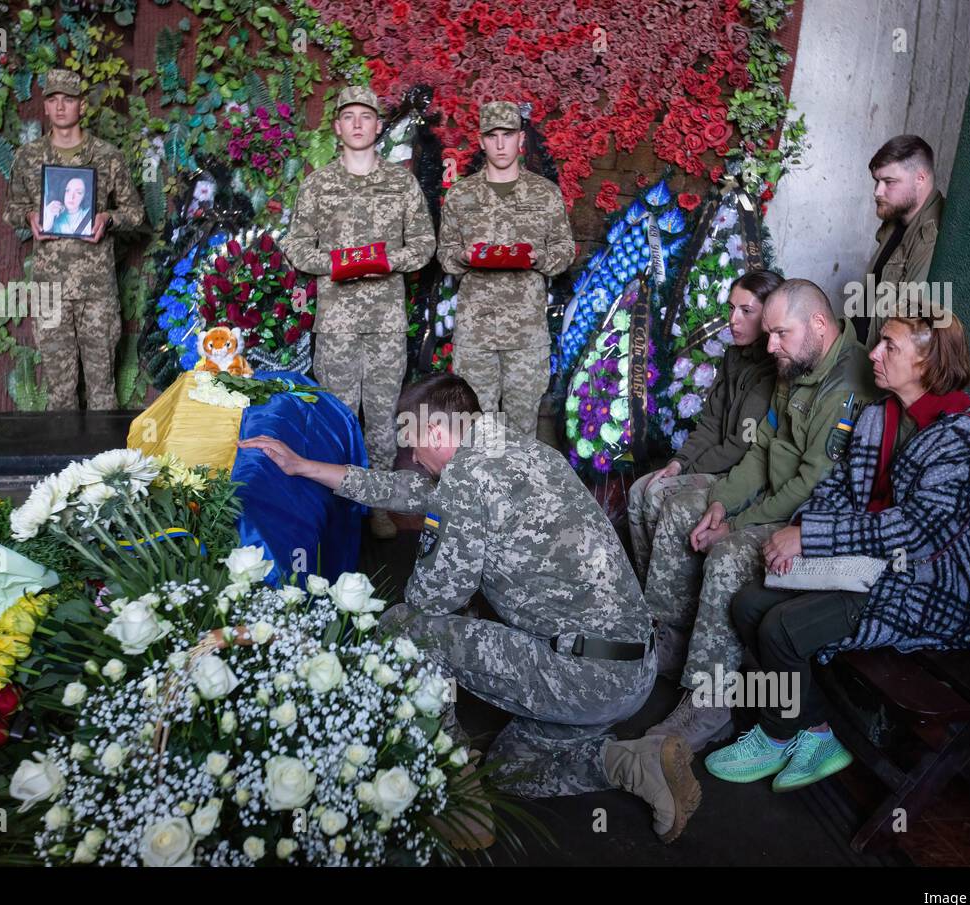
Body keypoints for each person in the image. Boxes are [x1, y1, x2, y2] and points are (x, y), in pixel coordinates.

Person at [240, 374, 702, 844]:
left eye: (412, 441)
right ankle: (637, 764)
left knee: (405, 629)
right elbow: (418, 493)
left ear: (437, 433)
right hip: (628, 669)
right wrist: (306, 467)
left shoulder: (464, 481)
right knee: (511, 771)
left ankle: (452, 786)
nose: (413, 456)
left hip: (580, 674)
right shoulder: (519, 450)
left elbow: (429, 602)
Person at [710, 310, 970, 791]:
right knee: (747, 602)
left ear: (927, 360)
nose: (873, 354)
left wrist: (812, 539)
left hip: (938, 587)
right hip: (872, 566)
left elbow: (916, 530)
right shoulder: (880, 416)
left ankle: (775, 731)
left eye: (889, 346)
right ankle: (814, 730)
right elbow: (837, 490)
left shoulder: (966, 436)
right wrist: (803, 529)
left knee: (783, 627)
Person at [642, 278, 878, 752]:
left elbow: (810, 484)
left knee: (730, 555)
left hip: (806, 518)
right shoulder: (797, 361)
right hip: (771, 493)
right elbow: (761, 449)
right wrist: (720, 502)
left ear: (817, 323)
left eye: (779, 334)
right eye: (768, 334)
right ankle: (672, 638)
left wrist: (736, 524)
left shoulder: (848, 383)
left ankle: (711, 704)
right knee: (681, 508)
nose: (771, 347)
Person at [281, 86, 436, 541]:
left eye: (364, 116)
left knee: (384, 416)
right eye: (347, 116)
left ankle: (378, 505)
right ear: (337, 127)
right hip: (338, 323)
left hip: (386, 320)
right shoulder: (318, 184)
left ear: (376, 126)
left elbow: (425, 245)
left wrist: (389, 261)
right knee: (340, 415)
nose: (356, 123)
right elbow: (295, 244)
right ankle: (339, 503)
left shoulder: (400, 182)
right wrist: (332, 263)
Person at [627, 269, 781, 677]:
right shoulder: (734, 356)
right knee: (644, 488)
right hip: (713, 464)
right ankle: (658, 616)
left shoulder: (774, 366)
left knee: (666, 499)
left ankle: (675, 624)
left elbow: (742, 446)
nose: (733, 319)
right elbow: (711, 423)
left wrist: (688, 471)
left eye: (746, 311)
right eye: (731, 308)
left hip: (738, 473)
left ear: (770, 316)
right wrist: (678, 463)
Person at [3, 69, 144, 411]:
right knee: (59, 391)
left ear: (82, 106)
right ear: (46, 108)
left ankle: (105, 465)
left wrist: (108, 218)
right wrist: (29, 217)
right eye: (53, 100)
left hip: (96, 288)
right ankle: (63, 464)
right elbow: (12, 208)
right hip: (49, 288)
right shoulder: (28, 157)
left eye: (68, 100)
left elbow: (137, 214)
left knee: (102, 390)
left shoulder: (107, 156)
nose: (61, 107)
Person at [437, 101, 576, 438]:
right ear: (482, 141)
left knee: (522, 431)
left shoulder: (545, 194)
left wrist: (537, 259)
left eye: (508, 135)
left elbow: (565, 250)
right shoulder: (461, 195)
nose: (500, 144)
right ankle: (476, 492)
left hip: (526, 335)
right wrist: (465, 257)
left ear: (520, 140)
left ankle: (516, 492)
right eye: (493, 136)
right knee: (473, 430)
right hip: (476, 335)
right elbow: (444, 254)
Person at [861, 134, 945, 348]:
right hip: (860, 349)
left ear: (921, 178)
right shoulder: (895, 219)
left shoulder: (931, 234)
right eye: (876, 181)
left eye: (889, 182)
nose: (877, 192)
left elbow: (907, 323)